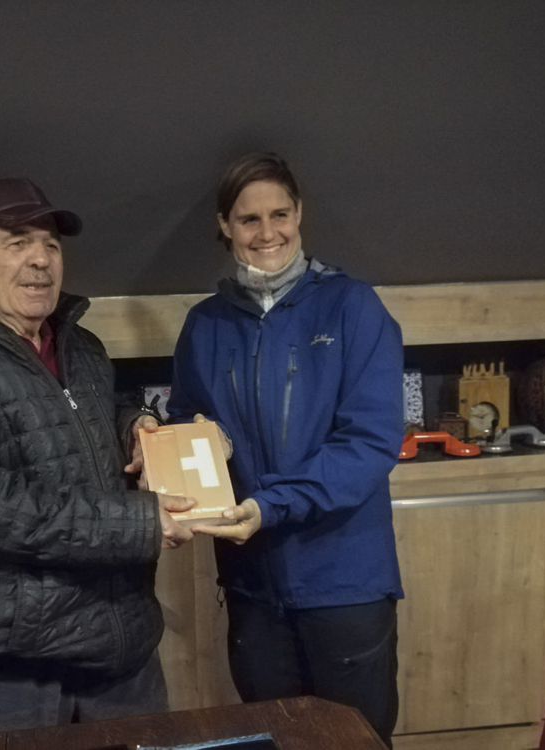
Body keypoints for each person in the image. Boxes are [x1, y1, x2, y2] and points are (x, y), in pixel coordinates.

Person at [0, 177, 194, 736]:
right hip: (12, 677)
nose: (41, 260)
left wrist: (133, 427)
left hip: (124, 658)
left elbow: (82, 416)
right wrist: (138, 522)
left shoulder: (82, 347)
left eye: (50, 244)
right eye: (17, 242)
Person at [167, 152, 405, 747]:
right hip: (253, 587)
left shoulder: (354, 307)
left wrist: (270, 505)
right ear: (225, 226)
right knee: (275, 739)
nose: (266, 232)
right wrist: (195, 440)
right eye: (249, 219)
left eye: (280, 214)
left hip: (344, 583)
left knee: (354, 742)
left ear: (300, 215)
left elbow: (369, 442)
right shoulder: (205, 324)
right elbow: (187, 421)